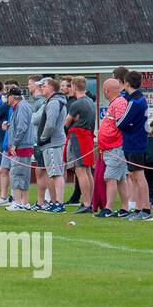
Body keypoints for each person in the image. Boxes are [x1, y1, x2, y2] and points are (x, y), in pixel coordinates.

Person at [116, 70, 152, 220]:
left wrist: (116, 121)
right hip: (131, 141)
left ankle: (146, 210)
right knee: (133, 176)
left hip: (136, 142)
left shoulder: (136, 101)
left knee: (139, 175)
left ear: (127, 83)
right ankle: (138, 209)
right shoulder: (134, 99)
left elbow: (122, 122)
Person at [94, 78, 129, 218]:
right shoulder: (115, 103)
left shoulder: (119, 103)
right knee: (120, 179)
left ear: (107, 90)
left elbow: (121, 124)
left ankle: (108, 208)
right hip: (111, 147)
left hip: (115, 147)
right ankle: (125, 208)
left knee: (110, 177)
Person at [63, 77, 97, 214]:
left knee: (80, 171)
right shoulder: (90, 102)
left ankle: (87, 203)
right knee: (87, 171)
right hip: (88, 137)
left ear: (74, 87)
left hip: (78, 138)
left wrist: (73, 120)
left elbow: (66, 124)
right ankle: (90, 201)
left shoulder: (76, 104)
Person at [36, 77, 69, 212]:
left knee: (56, 173)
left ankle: (59, 203)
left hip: (52, 143)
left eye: (44, 86)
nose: (41, 88)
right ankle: (55, 202)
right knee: (53, 173)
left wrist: (43, 138)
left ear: (50, 87)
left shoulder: (54, 103)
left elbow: (50, 124)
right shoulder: (52, 102)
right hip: (51, 143)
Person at [3, 86, 36, 211]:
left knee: (16, 173)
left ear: (13, 97)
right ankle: (24, 202)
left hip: (21, 146)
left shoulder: (21, 107)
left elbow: (22, 127)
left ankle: (18, 202)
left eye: (8, 96)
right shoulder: (22, 106)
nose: (7, 98)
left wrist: (14, 144)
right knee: (24, 174)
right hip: (25, 145)